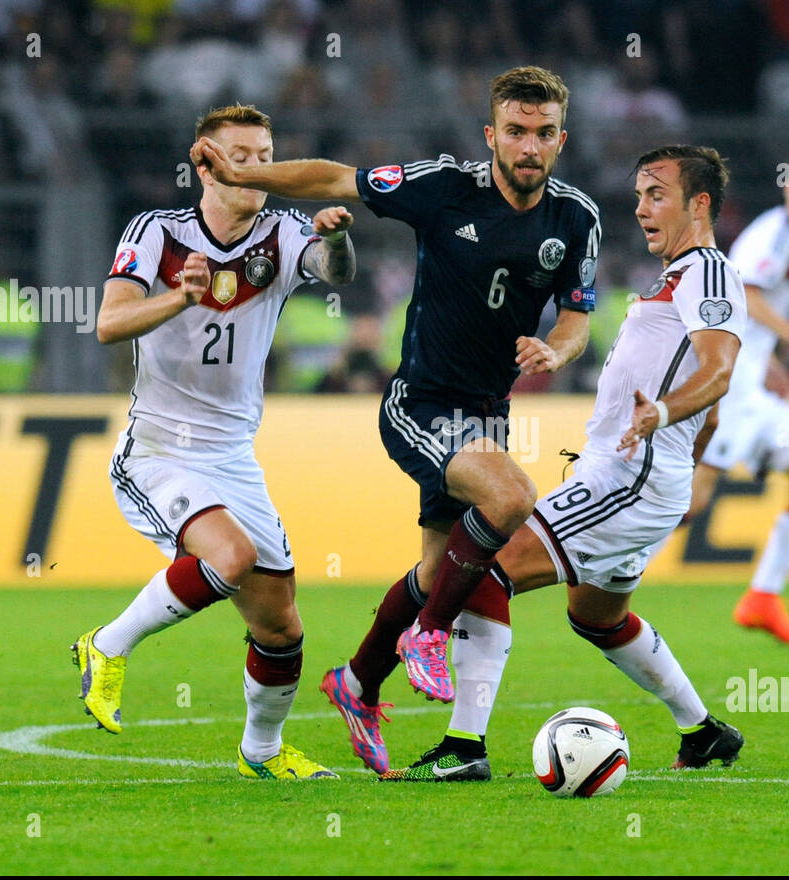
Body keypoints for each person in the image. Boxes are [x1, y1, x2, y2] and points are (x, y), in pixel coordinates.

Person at [192, 66, 601, 773]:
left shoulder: (577, 217)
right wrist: (247, 176)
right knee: (511, 498)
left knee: (442, 567)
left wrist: (556, 352)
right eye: (515, 132)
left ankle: (356, 683)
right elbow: (334, 179)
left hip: (487, 414)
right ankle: (429, 635)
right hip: (419, 403)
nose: (528, 147)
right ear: (491, 136)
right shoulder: (445, 187)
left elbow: (576, 317)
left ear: (560, 139)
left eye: (542, 134)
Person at [383, 145, 746, 780]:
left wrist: (659, 420)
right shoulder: (672, 278)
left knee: (485, 568)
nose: (641, 208)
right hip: (638, 478)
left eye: (656, 194)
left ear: (700, 203)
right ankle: (704, 731)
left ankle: (463, 749)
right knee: (595, 616)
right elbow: (707, 408)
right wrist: (679, 462)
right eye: (638, 195)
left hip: (628, 479)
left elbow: (718, 374)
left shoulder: (708, 275)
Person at [73, 105, 356, 780]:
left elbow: (335, 271)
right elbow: (108, 324)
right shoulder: (157, 233)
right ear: (204, 159)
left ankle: (261, 750)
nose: (258, 168)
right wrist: (178, 297)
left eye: (265, 154)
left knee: (281, 628)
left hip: (233, 456)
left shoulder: (284, 233)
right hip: (160, 448)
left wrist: (337, 237)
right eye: (242, 154)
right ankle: (105, 646)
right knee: (231, 553)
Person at [690, 144, 789, 647]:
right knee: (689, 502)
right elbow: (744, 294)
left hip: (753, 385)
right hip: (731, 388)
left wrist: (772, 363)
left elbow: (746, 311)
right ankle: (575, 546)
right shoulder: (775, 234)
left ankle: (763, 598)